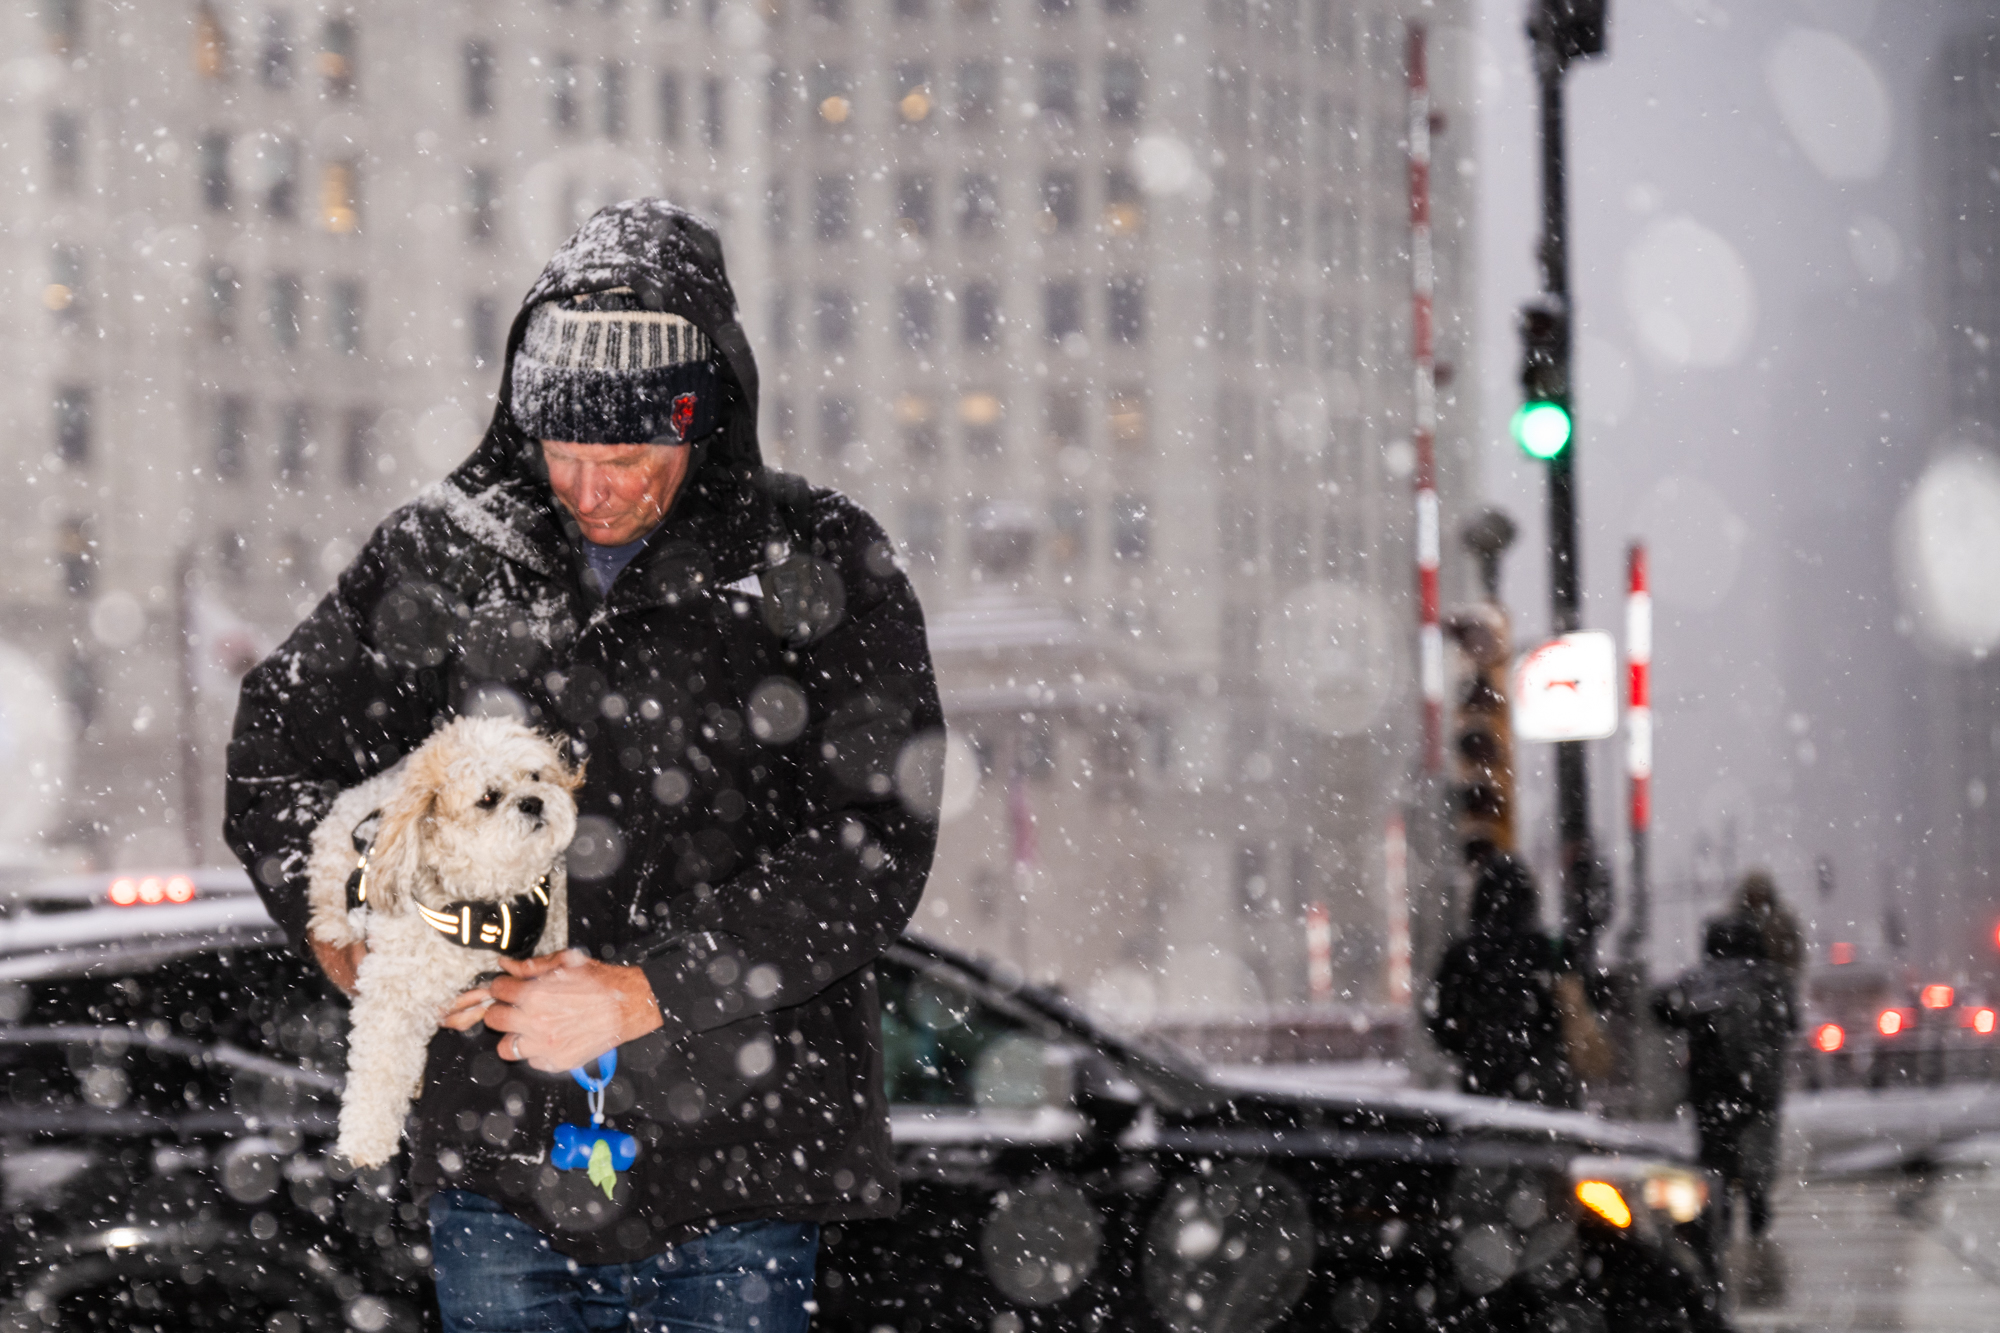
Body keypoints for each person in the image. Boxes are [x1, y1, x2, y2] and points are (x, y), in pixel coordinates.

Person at [224, 199, 942, 1333]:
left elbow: (875, 839)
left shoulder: (815, 562)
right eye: (563, 449)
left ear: (703, 425)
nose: (590, 487)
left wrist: (648, 993)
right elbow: (278, 756)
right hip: (498, 1173)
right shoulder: (444, 556)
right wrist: (351, 927)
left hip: (740, 1174)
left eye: (625, 454)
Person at [1652, 918, 1797, 1263]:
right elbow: (1790, 1021)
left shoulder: (1697, 979)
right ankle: (1757, 1204)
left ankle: (1722, 1213)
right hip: (1757, 1080)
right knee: (1757, 1141)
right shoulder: (1771, 977)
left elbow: (1660, 1005)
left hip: (1709, 1081)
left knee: (1715, 1149)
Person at [1427, 853, 1578, 1108]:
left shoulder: (1462, 954)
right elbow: (1577, 1015)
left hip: (1483, 1084)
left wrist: (1470, 1043)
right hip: (1546, 1087)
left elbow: (1440, 1022)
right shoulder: (1550, 951)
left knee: (1487, 1144)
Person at [1728, 869, 1804, 984]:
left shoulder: (1782, 922)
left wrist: (1785, 975)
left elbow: (1793, 954)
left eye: (1760, 892)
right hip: (1745, 985)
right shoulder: (1736, 920)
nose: (1756, 897)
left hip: (1777, 983)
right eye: (1752, 893)